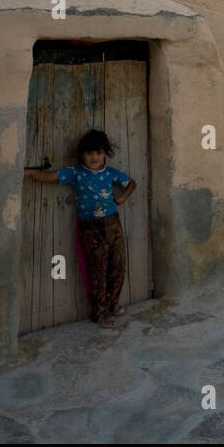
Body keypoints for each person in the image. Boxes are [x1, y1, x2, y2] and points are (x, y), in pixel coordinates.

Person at [25, 129, 136, 327]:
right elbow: (51, 177)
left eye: (98, 152)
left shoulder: (111, 174)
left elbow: (132, 184)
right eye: (89, 153)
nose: (94, 157)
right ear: (82, 155)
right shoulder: (75, 173)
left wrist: (121, 198)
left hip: (112, 224)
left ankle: (113, 303)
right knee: (97, 269)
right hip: (90, 227)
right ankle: (100, 312)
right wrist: (33, 173)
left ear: (105, 154)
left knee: (117, 265)